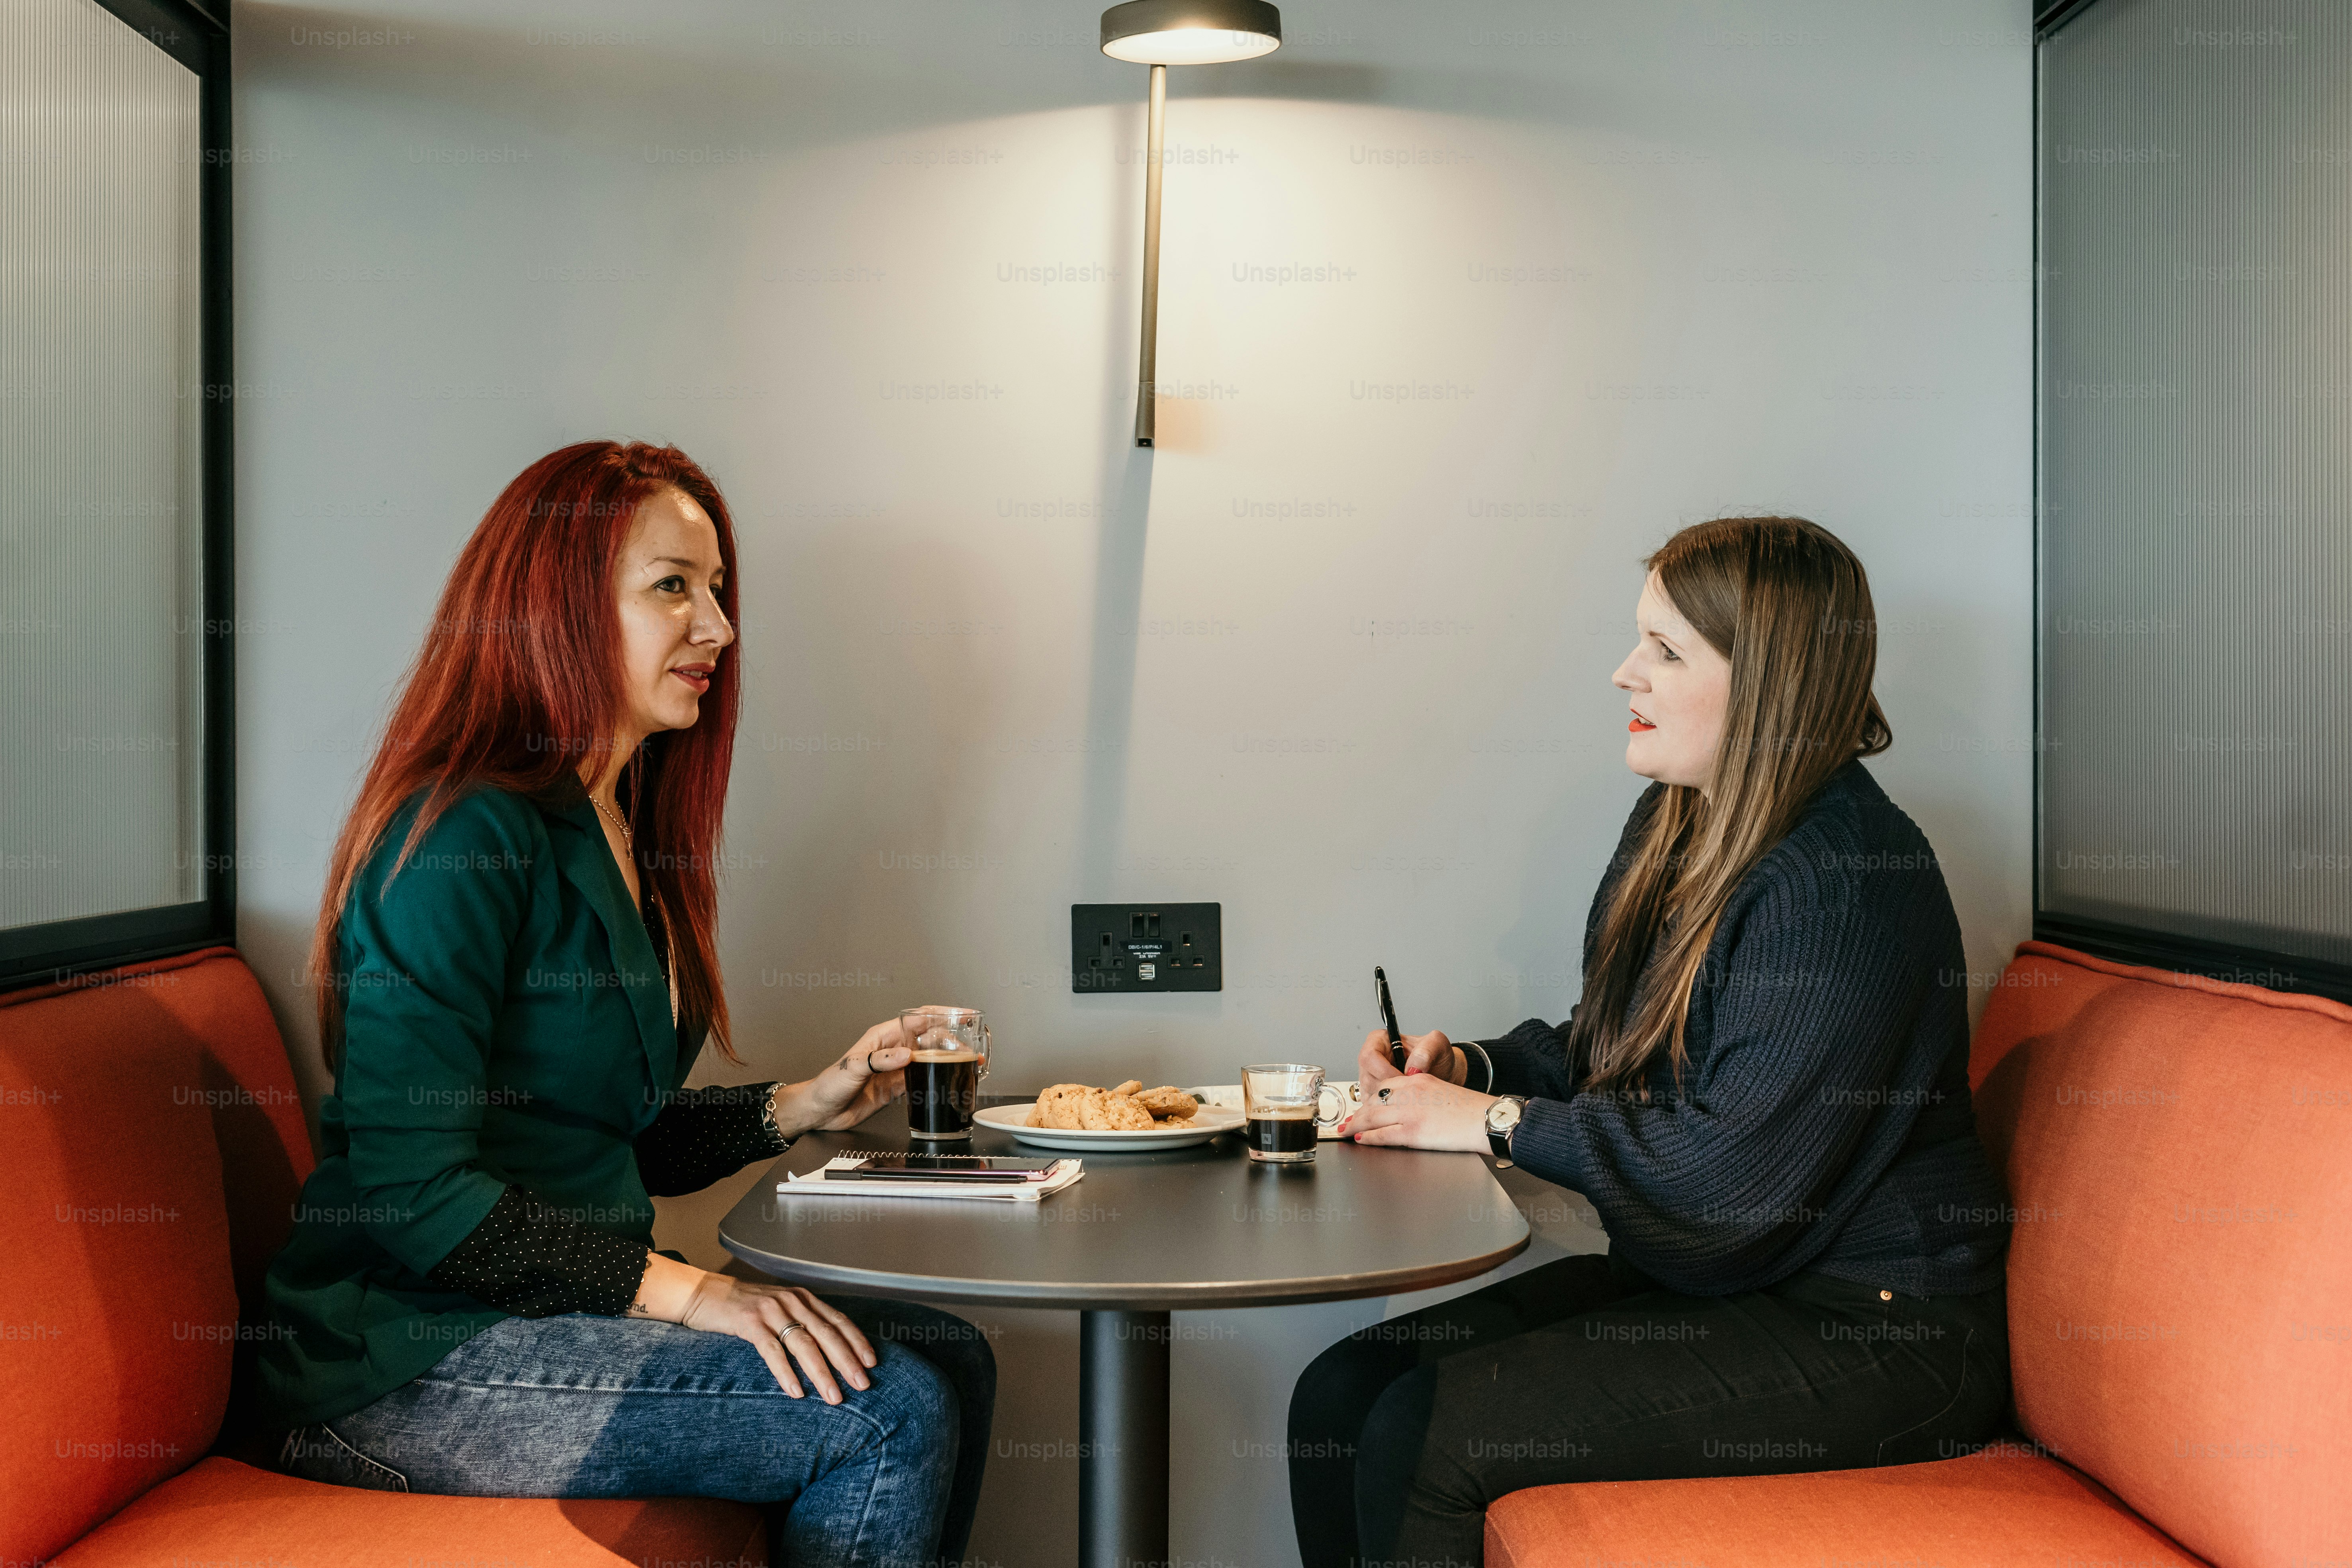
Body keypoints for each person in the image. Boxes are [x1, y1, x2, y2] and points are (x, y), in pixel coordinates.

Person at [252, 440, 993, 1568]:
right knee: (887, 1410)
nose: (719, 629)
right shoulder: (459, 834)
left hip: (550, 1318)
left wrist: (807, 1101)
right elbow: (415, 1190)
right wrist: (690, 1293)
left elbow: (611, 1134)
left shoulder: (618, 828)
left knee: (953, 1356)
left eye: (717, 590)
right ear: (553, 605)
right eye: (672, 587)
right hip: (404, 1355)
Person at [1289, 516, 2014, 1568]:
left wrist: (1489, 1125)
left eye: (1665, 650)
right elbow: (1616, 1043)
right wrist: (1469, 1072)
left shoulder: (1845, 882)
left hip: (1878, 1326)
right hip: (1739, 1283)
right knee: (1341, 1391)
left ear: (1768, 681)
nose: (1623, 672)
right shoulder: (1681, 819)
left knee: (1427, 1435)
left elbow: (1721, 1186)